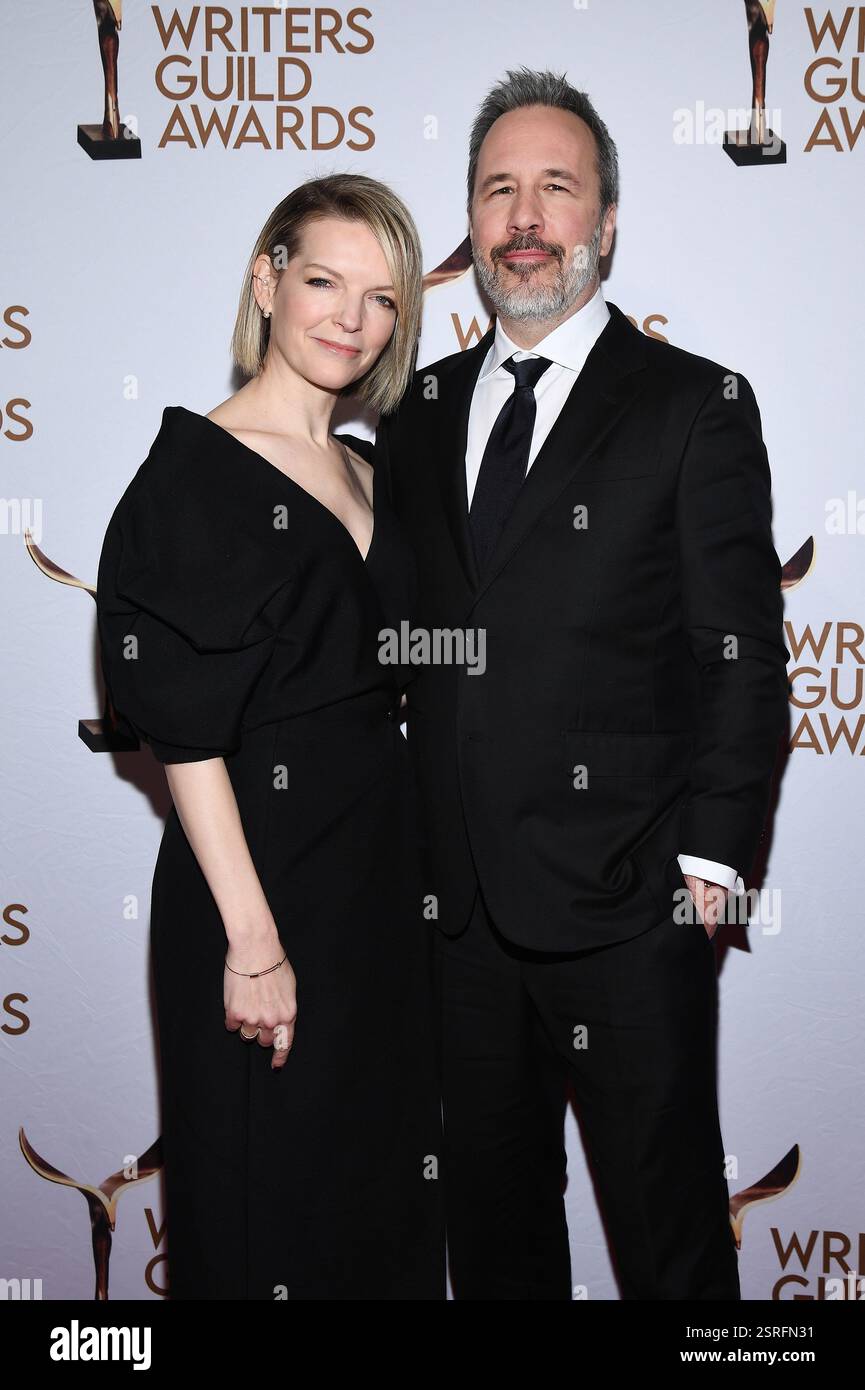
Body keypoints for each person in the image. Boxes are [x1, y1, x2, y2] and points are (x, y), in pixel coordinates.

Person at [374, 67, 790, 1299]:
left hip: (628, 907)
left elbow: (740, 650)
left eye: (556, 188)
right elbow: (406, 638)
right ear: (470, 219)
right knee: (496, 1233)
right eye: (498, 189)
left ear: (604, 224)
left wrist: (710, 868)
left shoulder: (691, 406)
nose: (523, 216)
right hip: (456, 916)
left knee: (667, 1234)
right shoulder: (414, 408)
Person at [95, 174, 444, 1300]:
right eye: (324, 281)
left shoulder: (373, 469)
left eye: (382, 297)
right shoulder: (190, 474)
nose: (350, 318)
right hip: (261, 893)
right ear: (267, 281)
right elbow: (184, 740)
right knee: (267, 1210)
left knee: (372, 1204)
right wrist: (252, 940)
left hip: (378, 900)